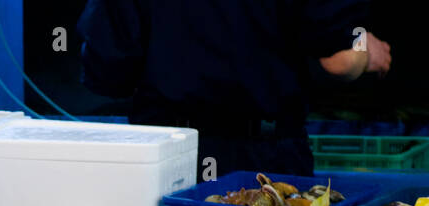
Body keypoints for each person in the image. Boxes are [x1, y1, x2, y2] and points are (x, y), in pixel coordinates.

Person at [78, 0, 392, 176]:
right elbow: (338, 61)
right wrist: (367, 50)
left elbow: (108, 68)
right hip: (263, 160)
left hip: (166, 158)